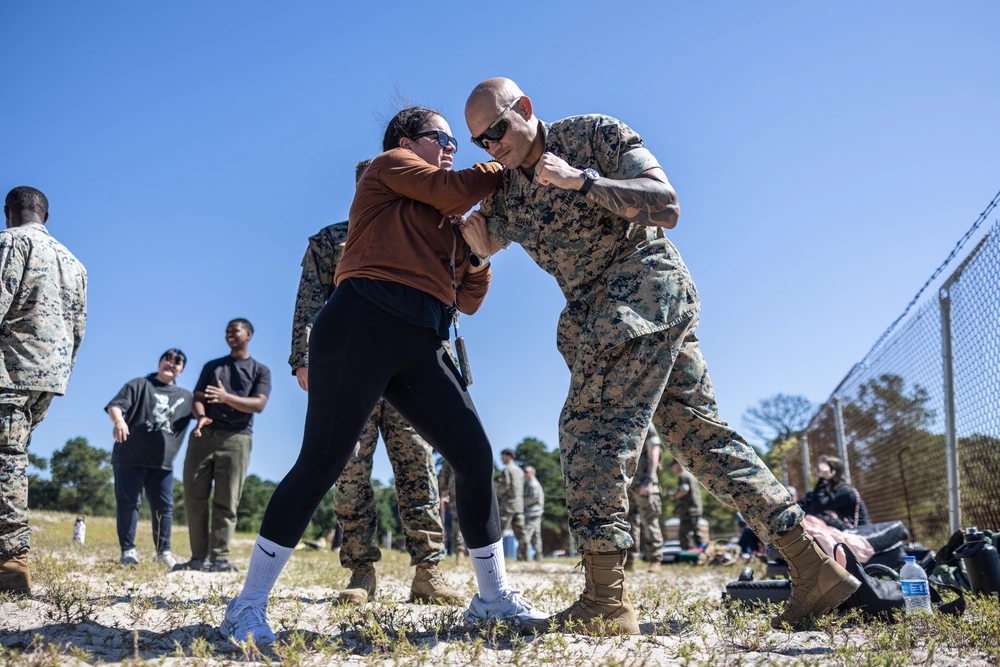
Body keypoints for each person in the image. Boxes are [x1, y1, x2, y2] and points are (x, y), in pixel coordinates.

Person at [464, 78, 859, 633]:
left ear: (525, 109)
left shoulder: (593, 137)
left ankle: (606, 600)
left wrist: (583, 182)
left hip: (641, 295)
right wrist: (479, 254)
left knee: (590, 428)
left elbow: (667, 206)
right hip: (604, 318)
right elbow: (479, 245)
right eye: (481, 141)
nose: (493, 146)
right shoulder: (507, 192)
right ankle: (812, 564)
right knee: (699, 437)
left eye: (498, 129)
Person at [220, 106, 545, 645]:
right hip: (361, 322)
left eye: (452, 142)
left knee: (473, 457)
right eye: (440, 137)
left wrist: (480, 255)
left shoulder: (448, 216)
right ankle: (246, 605)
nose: (450, 146)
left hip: (422, 340)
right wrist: (515, 160)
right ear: (405, 140)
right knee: (323, 462)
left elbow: (469, 297)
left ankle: (491, 599)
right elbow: (457, 185)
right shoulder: (387, 166)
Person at [290, 159, 460, 605]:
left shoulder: (423, 234)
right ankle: (361, 572)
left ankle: (429, 571)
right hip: (351, 371)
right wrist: (303, 359)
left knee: (418, 468)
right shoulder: (330, 240)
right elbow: (310, 302)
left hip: (409, 371)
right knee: (349, 471)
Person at [0, 187, 87, 596]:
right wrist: (56, 380)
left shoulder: (9, 243)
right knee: (11, 460)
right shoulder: (74, 263)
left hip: (8, 373)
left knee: (7, 464)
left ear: (8, 212)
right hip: (46, 378)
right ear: (45, 216)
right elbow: (78, 331)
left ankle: (11, 563)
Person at [175, 319, 271, 573]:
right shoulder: (212, 366)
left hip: (237, 439)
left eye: (235, 330)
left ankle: (219, 559)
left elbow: (258, 404)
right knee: (194, 497)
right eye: (227, 331)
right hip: (203, 434)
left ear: (248, 334)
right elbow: (197, 396)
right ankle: (198, 557)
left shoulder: (260, 370)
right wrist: (200, 415)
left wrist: (226, 397)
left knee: (227, 501)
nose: (229, 334)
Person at [106, 350, 194, 568]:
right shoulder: (139, 384)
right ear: (160, 361)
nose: (171, 364)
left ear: (182, 369)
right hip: (129, 457)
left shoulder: (186, 396)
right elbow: (115, 405)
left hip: (163, 462)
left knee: (164, 508)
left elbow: (204, 411)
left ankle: (163, 553)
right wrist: (118, 421)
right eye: (168, 359)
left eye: (177, 362)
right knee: (128, 504)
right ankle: (128, 551)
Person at [626, 424, 664, 572]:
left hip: (644, 483)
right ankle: (629, 561)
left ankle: (655, 560)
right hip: (628, 484)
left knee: (650, 521)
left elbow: (654, 451)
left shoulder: (644, 422)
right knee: (629, 522)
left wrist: (649, 479)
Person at [799, 456, 870, 530]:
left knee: (818, 516)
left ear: (832, 472)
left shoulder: (845, 491)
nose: (817, 473)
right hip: (845, 532)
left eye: (820, 470)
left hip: (859, 531)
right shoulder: (824, 492)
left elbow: (818, 506)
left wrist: (823, 479)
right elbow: (802, 507)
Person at [496, 449, 527, 560]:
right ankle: (523, 557)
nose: (501, 459)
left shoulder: (507, 470)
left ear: (508, 456)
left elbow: (505, 487)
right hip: (519, 506)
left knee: (499, 532)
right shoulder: (520, 470)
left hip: (507, 505)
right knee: (522, 534)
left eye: (502, 456)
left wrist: (497, 489)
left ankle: (495, 557)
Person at [670, 460, 703, 551]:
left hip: (689, 510)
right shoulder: (692, 475)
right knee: (696, 532)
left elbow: (684, 491)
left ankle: (687, 554)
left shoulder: (683, 476)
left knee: (685, 533)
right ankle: (704, 552)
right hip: (697, 508)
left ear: (678, 464)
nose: (673, 469)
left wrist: (674, 496)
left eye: (673, 466)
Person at [439, 459, 467, 562]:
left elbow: (444, 472)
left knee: (457, 521)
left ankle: (460, 552)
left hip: (457, 486)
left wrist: (444, 488)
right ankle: (471, 552)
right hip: (474, 487)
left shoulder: (452, 445)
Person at [522, 466, 545, 561]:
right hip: (535, 513)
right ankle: (538, 556)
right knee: (536, 536)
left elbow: (533, 498)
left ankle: (524, 556)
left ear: (532, 473)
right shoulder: (533, 483)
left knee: (526, 535)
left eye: (526, 472)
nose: (524, 473)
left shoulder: (533, 484)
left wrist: (521, 502)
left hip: (532, 513)